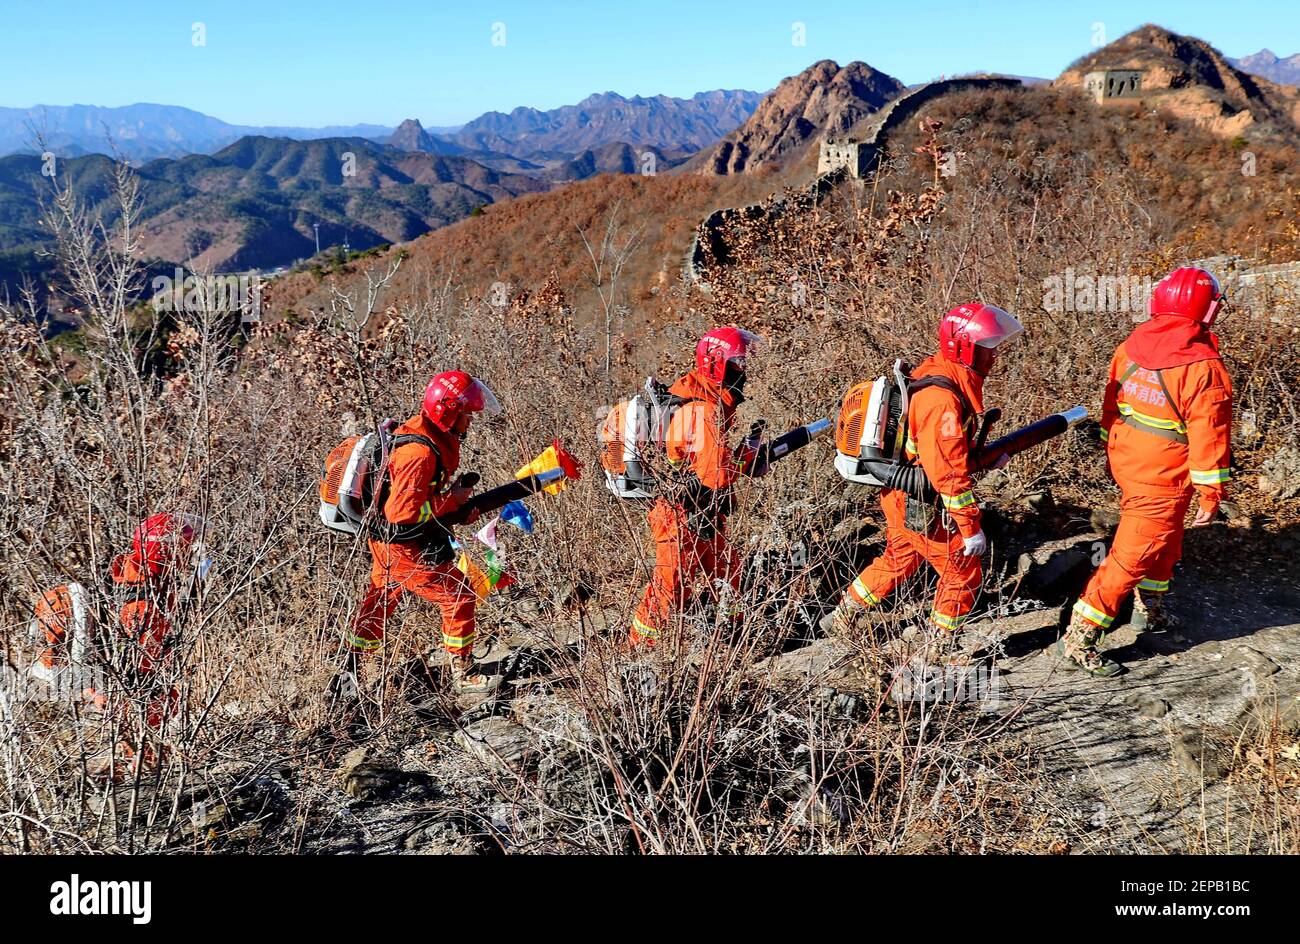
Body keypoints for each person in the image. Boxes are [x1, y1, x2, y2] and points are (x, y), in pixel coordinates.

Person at [821, 303, 1024, 660]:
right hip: (922, 504)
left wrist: (986, 460)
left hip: (902, 497)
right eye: (987, 347)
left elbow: (945, 455)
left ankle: (843, 615)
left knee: (899, 558)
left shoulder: (940, 373)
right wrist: (970, 527)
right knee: (962, 570)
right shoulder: (942, 400)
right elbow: (947, 473)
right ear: (965, 349)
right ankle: (939, 646)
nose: (994, 355)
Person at [1059, 267, 1232, 677]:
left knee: (1166, 542)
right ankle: (1080, 635)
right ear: (1205, 311)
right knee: (1131, 556)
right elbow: (1210, 436)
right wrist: (1212, 494)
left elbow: (1111, 404)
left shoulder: (1132, 346)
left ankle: (1149, 611)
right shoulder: (1203, 368)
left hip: (1131, 461)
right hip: (1163, 475)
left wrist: (1110, 448)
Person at [342, 370, 498, 693]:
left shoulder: (428, 433)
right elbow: (402, 515)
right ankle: (462, 672)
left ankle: (349, 672)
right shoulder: (420, 453)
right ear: (449, 412)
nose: (469, 422)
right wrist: (449, 502)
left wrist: (452, 505)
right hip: (401, 545)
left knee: (380, 600)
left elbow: (418, 501)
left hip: (388, 544)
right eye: (467, 415)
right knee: (459, 595)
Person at [630, 326, 765, 646]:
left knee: (728, 567)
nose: (744, 373)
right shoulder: (704, 411)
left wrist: (745, 454)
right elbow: (716, 474)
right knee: (672, 584)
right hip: (682, 514)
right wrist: (749, 459)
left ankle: (737, 632)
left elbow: (711, 465)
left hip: (700, 508)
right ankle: (639, 649)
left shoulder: (704, 397)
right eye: (739, 365)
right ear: (717, 364)